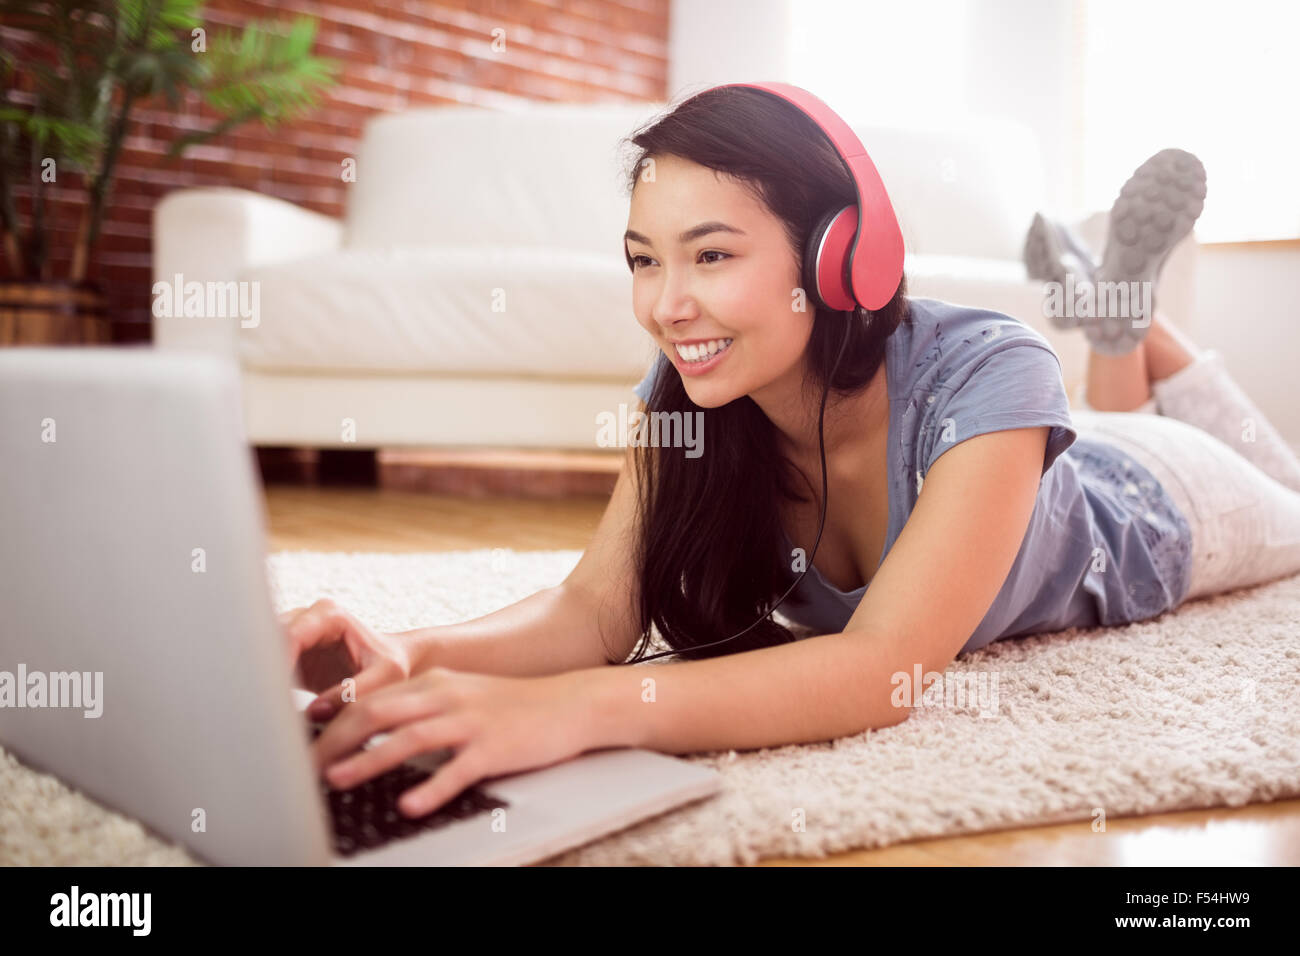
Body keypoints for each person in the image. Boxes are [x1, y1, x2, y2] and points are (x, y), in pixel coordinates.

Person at [283, 87, 1300, 817]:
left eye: (712, 254)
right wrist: (413, 648)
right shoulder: (690, 389)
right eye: (644, 260)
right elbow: (593, 608)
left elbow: (879, 670)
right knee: (1083, 410)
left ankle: (1128, 326)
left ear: (837, 256)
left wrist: (575, 713)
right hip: (1028, 454)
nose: (666, 305)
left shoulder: (992, 364)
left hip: (1159, 498)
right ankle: (1120, 327)